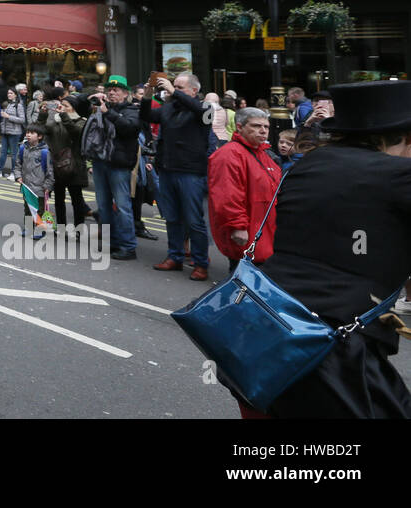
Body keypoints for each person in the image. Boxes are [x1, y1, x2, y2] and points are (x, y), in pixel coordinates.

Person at [249, 81, 411, 418]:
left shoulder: (309, 163)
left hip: (268, 329)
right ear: (404, 138)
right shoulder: (397, 174)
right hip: (334, 345)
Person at [141, 73, 212, 281]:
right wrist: (147, 96)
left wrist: (173, 92)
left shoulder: (205, 108)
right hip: (168, 168)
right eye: (175, 87)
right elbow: (147, 117)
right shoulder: (170, 108)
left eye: (180, 87)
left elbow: (199, 111)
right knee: (172, 217)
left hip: (190, 171)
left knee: (194, 220)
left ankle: (201, 263)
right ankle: (175, 256)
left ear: (194, 91)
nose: (174, 90)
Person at [208, 106, 281, 273]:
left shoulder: (263, 154)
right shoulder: (229, 154)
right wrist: (237, 226)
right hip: (248, 233)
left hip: (264, 232)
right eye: (256, 126)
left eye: (266, 127)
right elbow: (227, 195)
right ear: (239, 127)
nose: (263, 131)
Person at [82, 75, 142, 260]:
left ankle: (128, 246)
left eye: (116, 90)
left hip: (119, 165)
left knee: (123, 206)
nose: (112, 92)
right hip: (100, 162)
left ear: (126, 94)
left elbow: (130, 128)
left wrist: (109, 112)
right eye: (109, 90)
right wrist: (91, 99)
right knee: (103, 206)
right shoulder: (101, 107)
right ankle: (112, 242)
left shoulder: (132, 110)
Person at [41, 93, 94, 227]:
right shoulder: (56, 121)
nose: (62, 107)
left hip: (74, 166)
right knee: (59, 200)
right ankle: (61, 227)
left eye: (66, 106)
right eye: (61, 105)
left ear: (74, 108)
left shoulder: (81, 121)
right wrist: (43, 115)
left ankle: (79, 229)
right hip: (57, 166)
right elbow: (41, 130)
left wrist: (64, 116)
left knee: (77, 200)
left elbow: (75, 132)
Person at [16, 123, 52, 237]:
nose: (28, 135)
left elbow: (50, 171)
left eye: (32, 133)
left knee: (39, 210)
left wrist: (48, 186)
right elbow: (18, 164)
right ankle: (28, 228)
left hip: (40, 187)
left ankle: (40, 230)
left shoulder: (45, 152)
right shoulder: (23, 148)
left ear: (40, 136)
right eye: (27, 132)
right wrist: (18, 176)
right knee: (27, 209)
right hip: (26, 186)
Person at [0, 88, 26, 179]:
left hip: (14, 133)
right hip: (5, 132)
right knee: (3, 152)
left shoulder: (19, 105)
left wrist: (8, 116)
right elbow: (4, 119)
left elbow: (22, 120)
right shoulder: (9, 104)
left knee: (14, 154)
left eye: (11, 93)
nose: (9, 94)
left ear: (15, 95)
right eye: (8, 93)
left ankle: (14, 173)